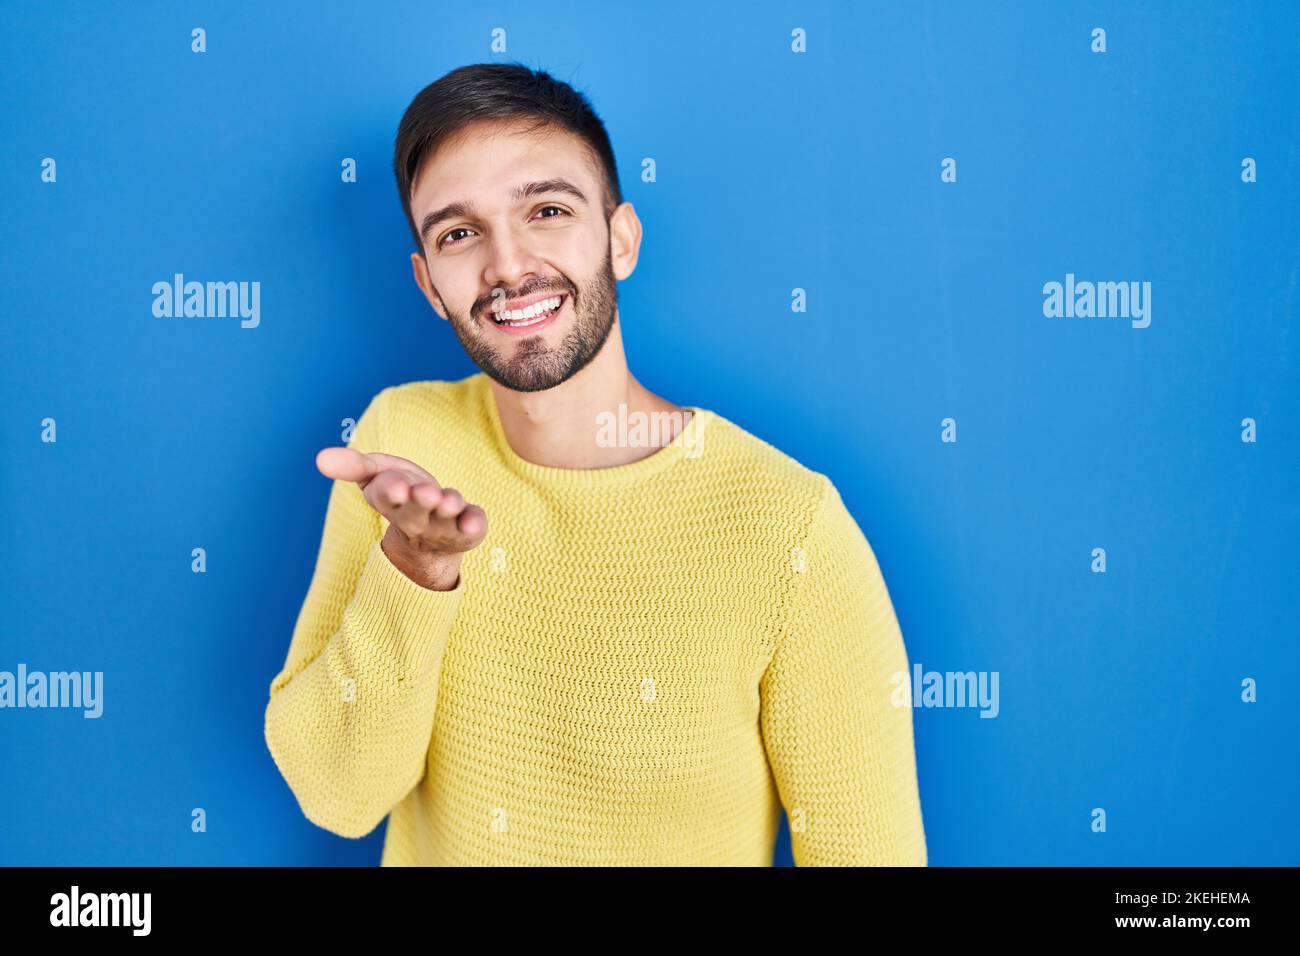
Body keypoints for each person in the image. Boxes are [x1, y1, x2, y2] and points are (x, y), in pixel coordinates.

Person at [263, 62, 928, 866]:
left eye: (546, 210)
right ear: (430, 285)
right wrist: (413, 568)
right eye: (458, 233)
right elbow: (338, 796)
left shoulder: (792, 529)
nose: (507, 266)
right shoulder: (402, 443)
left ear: (621, 239)